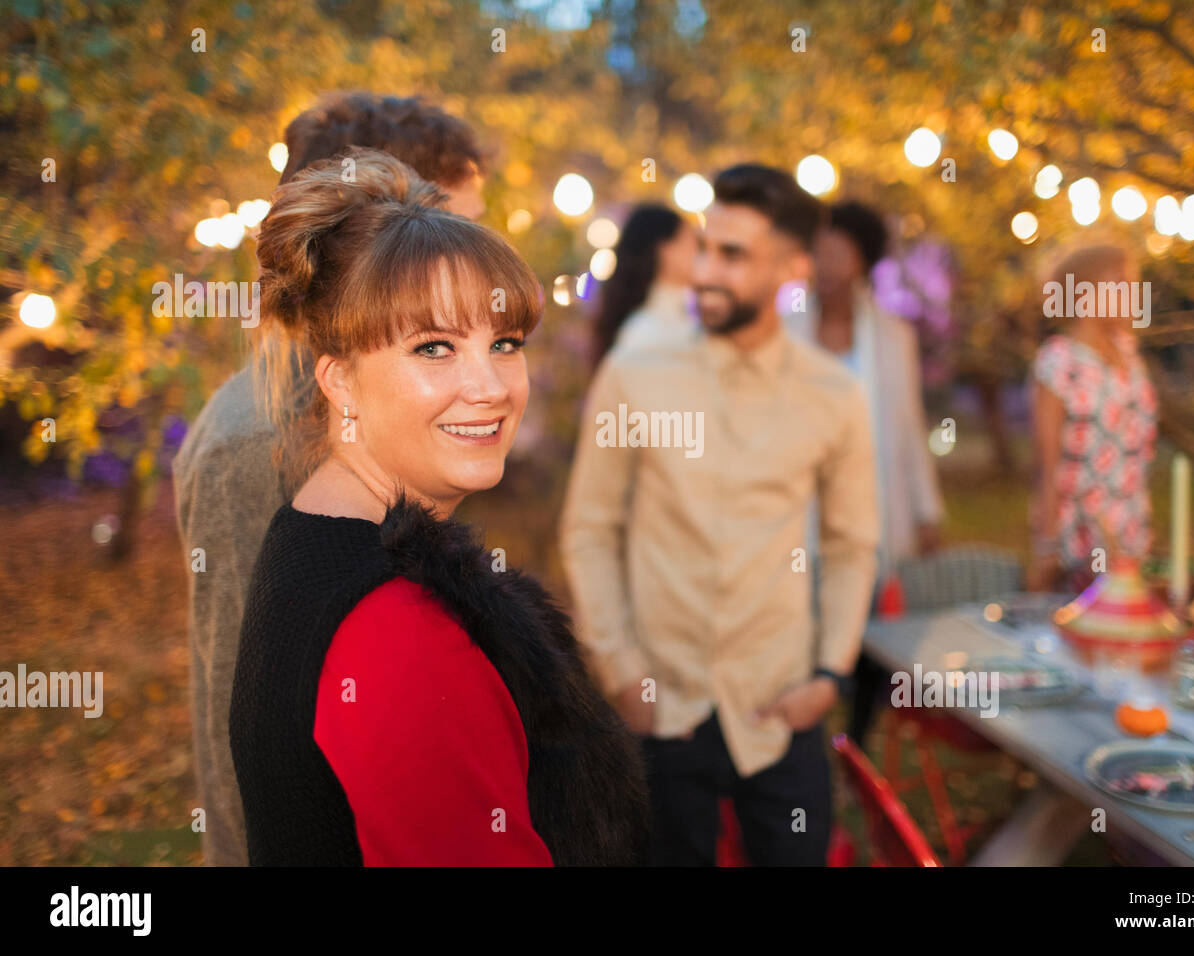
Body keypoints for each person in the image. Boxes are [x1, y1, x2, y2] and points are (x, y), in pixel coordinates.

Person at [228, 148, 649, 866]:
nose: (490, 387)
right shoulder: (398, 632)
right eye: (433, 348)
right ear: (341, 382)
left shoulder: (317, 532)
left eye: (505, 343)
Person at [174, 91, 491, 866]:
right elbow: (246, 731)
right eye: (451, 222)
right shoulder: (252, 443)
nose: (474, 250)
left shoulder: (391, 412)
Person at [559, 164, 878, 866]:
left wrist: (829, 674)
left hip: (780, 710)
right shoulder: (635, 374)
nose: (706, 270)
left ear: (792, 268)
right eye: (705, 247)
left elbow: (854, 544)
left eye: (733, 256)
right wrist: (620, 670)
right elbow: (589, 530)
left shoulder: (833, 393)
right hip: (662, 713)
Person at [808, 200, 944, 743]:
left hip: (872, 505)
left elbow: (909, 430)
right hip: (802, 512)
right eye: (817, 251)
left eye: (836, 253)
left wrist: (926, 508)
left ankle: (856, 744)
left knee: (874, 634)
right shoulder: (788, 329)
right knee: (807, 633)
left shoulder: (892, 338)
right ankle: (810, 736)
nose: (824, 264)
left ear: (862, 261)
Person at [1028, 244, 1158, 592]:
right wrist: (1047, 547)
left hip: (1131, 529)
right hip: (1082, 537)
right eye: (1120, 282)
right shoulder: (1058, 363)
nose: (1133, 291)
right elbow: (1048, 465)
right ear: (1085, 293)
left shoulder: (1130, 354)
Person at [590, 204, 697, 364]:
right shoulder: (652, 330)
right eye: (692, 242)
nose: (699, 252)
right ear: (665, 251)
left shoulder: (672, 318)